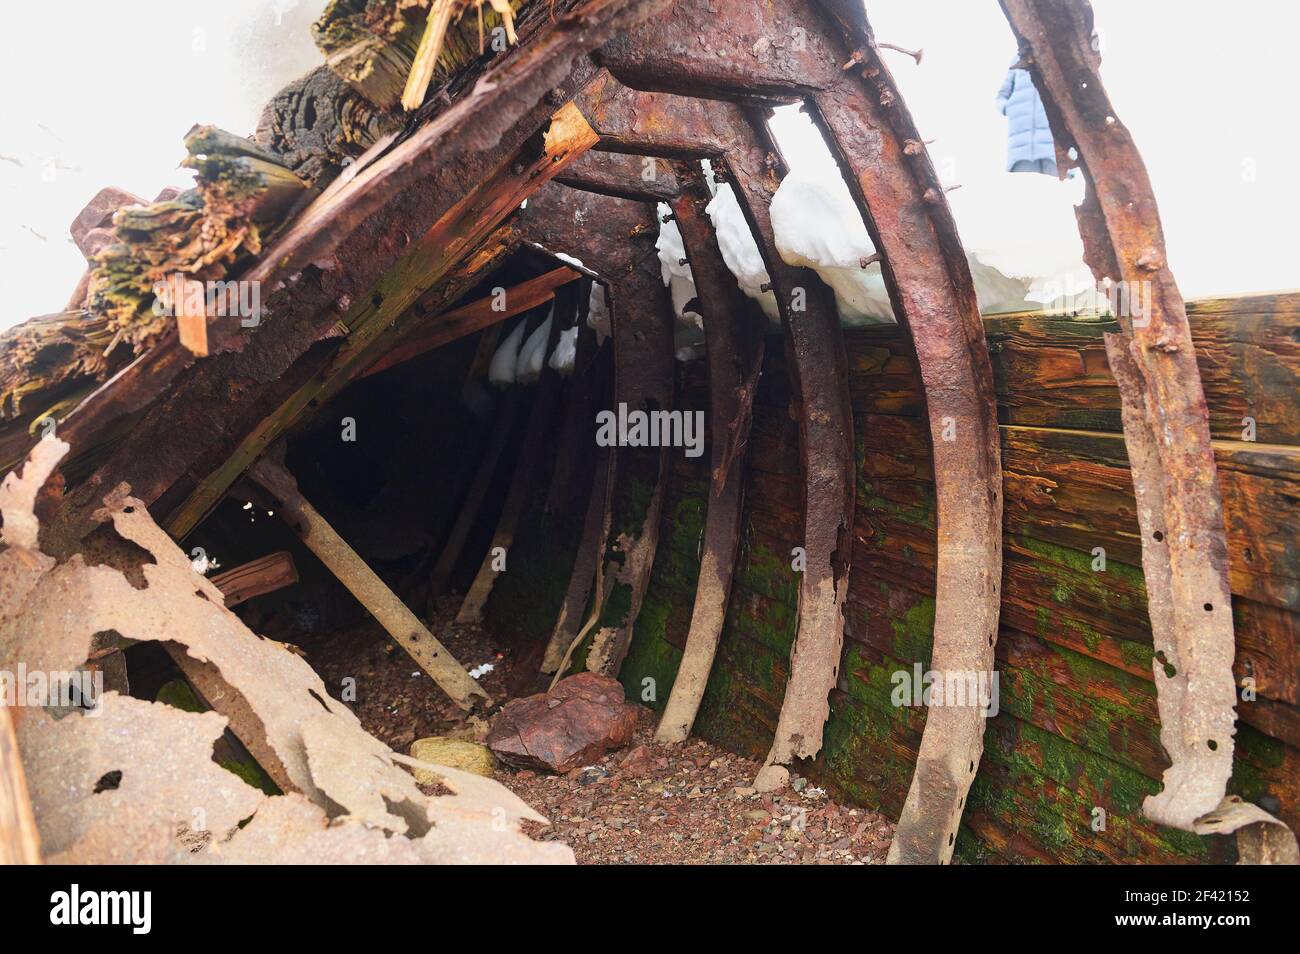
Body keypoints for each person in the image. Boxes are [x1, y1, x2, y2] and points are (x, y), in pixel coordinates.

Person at [996, 58, 1057, 176]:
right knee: (1022, 192)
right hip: (1020, 148)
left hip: (1053, 149)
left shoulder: (1057, 55)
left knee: (1058, 190)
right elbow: (1001, 96)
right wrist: (1008, 108)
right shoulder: (1017, 60)